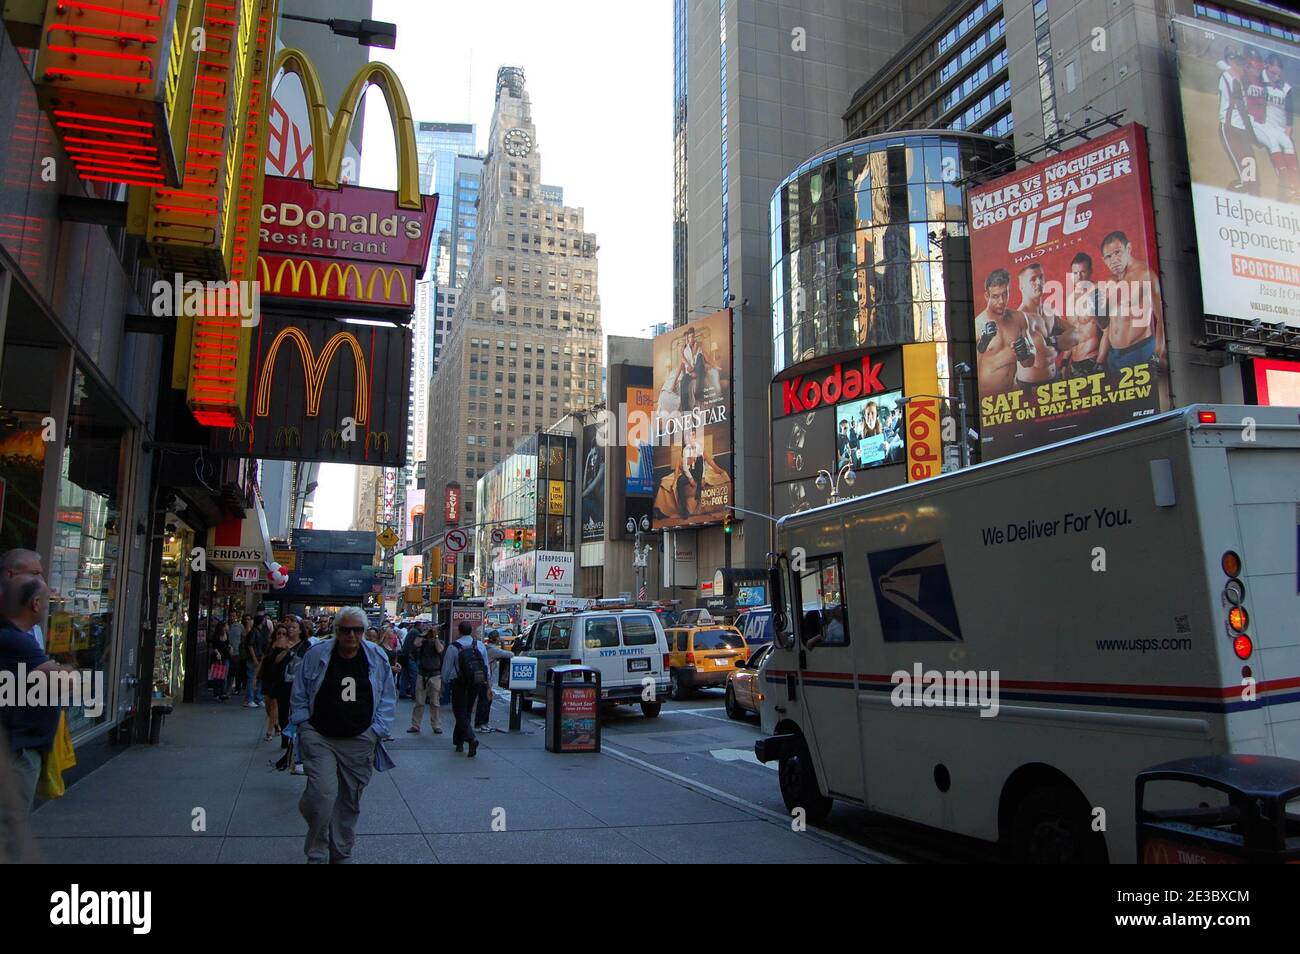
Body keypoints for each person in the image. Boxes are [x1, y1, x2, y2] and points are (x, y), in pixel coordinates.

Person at [289, 606, 396, 864]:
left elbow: (387, 696)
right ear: (336, 631)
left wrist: (376, 731)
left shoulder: (376, 656)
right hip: (320, 735)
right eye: (345, 630)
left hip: (359, 738)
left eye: (357, 630)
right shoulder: (317, 654)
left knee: (348, 801)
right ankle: (316, 852)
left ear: (364, 632)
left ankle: (341, 852)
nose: (351, 636)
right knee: (322, 796)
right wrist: (303, 724)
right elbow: (300, 689)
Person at [0, 578, 71, 848]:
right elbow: (66, 681)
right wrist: (59, 669)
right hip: (17, 748)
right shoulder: (17, 641)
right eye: (47, 600)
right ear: (35, 604)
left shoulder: (15, 637)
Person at [1095, 230, 1165, 374]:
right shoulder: (1109, 282)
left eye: (1117, 252)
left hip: (1139, 352)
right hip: (1113, 356)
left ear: (1128, 249)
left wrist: (1157, 355)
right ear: (1104, 260)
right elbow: (1105, 325)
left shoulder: (1144, 274)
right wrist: (1096, 308)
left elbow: (1163, 317)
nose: (1113, 259)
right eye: (1108, 256)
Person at [975, 268, 1031, 397]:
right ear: (986, 296)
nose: (1001, 301)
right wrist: (983, 344)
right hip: (986, 399)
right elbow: (967, 371)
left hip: (1012, 395)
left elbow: (1028, 363)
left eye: (1005, 294)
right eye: (995, 296)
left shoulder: (1019, 318)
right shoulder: (978, 324)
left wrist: (1025, 354)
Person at [441, 621, 490, 757]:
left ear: (459, 631)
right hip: (476, 682)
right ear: (471, 631)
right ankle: (459, 742)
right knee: (466, 711)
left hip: (459, 682)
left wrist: (444, 683)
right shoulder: (479, 645)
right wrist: (487, 684)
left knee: (459, 712)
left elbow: (446, 669)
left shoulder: (453, 647)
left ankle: (470, 738)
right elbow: (486, 666)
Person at [1, 550, 45, 651]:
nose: (41, 580)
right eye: (35, 573)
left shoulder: (30, 617)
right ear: (11, 575)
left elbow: (23, 664)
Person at [407, 623, 445, 734]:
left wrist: (436, 636)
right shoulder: (422, 640)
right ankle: (415, 725)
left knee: (435, 702)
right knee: (419, 702)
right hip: (422, 674)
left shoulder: (439, 641)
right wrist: (424, 634)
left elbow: (440, 650)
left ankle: (436, 725)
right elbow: (416, 643)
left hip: (435, 675)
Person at [475, 633, 514, 733]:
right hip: (487, 678)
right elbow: (510, 654)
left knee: (482, 700)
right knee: (486, 700)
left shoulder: (485, 647)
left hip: (480, 676)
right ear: (496, 639)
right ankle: (483, 724)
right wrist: (502, 643)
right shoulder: (494, 650)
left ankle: (480, 724)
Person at [261, 624, 292, 741]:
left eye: (284, 633)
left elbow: (279, 661)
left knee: (274, 705)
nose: (281, 635)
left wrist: (286, 650)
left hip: (279, 678)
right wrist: (256, 676)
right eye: (279, 633)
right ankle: (276, 725)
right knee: (268, 706)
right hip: (267, 677)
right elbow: (263, 661)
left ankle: (269, 731)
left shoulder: (287, 647)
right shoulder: (270, 646)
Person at [242, 614, 267, 708]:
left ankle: (257, 698)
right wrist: (254, 658)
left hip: (258, 657)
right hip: (254, 658)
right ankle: (250, 699)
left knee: (258, 678)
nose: (265, 621)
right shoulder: (254, 631)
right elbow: (250, 645)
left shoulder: (258, 631)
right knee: (252, 678)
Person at [208, 621, 232, 701]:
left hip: (225, 656)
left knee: (224, 675)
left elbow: (228, 644)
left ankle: (222, 693)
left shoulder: (227, 635)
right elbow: (214, 645)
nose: (228, 627)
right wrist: (217, 653)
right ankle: (217, 693)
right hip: (218, 657)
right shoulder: (217, 635)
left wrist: (230, 648)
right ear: (223, 627)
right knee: (218, 675)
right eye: (226, 625)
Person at [227, 614, 247, 696]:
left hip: (237, 651)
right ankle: (229, 688)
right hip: (228, 651)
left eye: (234, 616)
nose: (232, 618)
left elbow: (244, 636)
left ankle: (236, 688)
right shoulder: (227, 626)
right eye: (231, 616)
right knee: (230, 671)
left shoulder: (240, 627)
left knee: (236, 671)